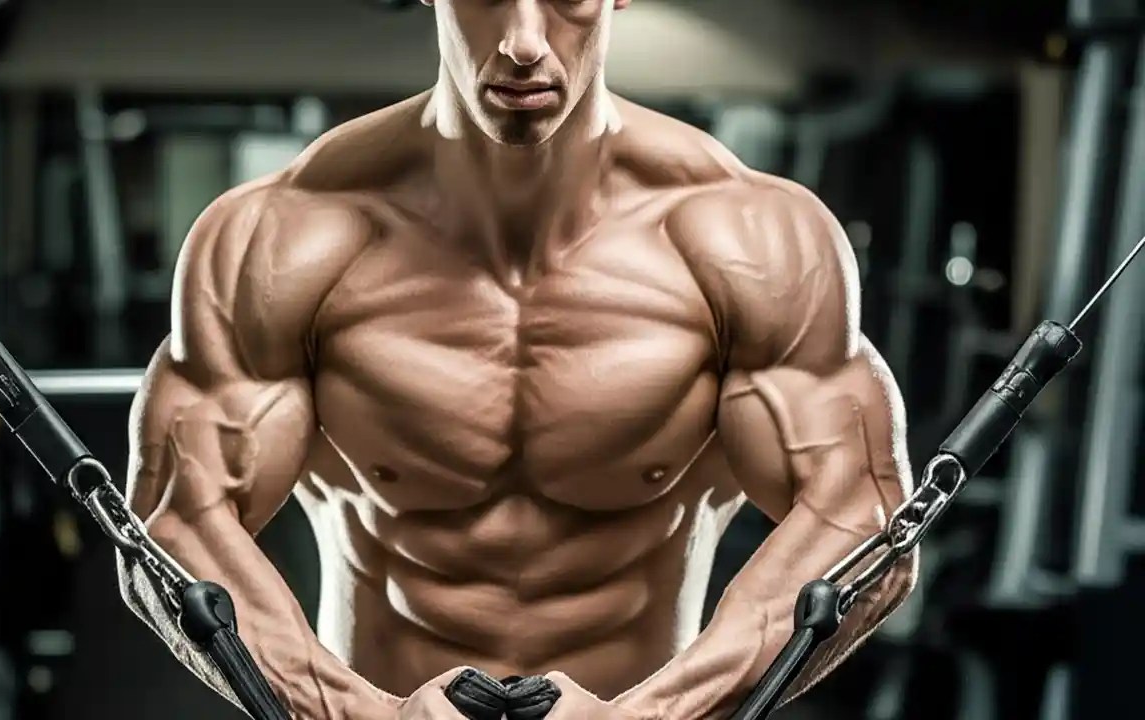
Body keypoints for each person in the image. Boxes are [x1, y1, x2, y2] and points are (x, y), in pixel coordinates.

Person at [118, 1, 918, 718]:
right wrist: (346, 711)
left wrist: (654, 716)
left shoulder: (747, 239)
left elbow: (864, 522)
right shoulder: (286, 238)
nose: (526, 41)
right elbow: (175, 526)